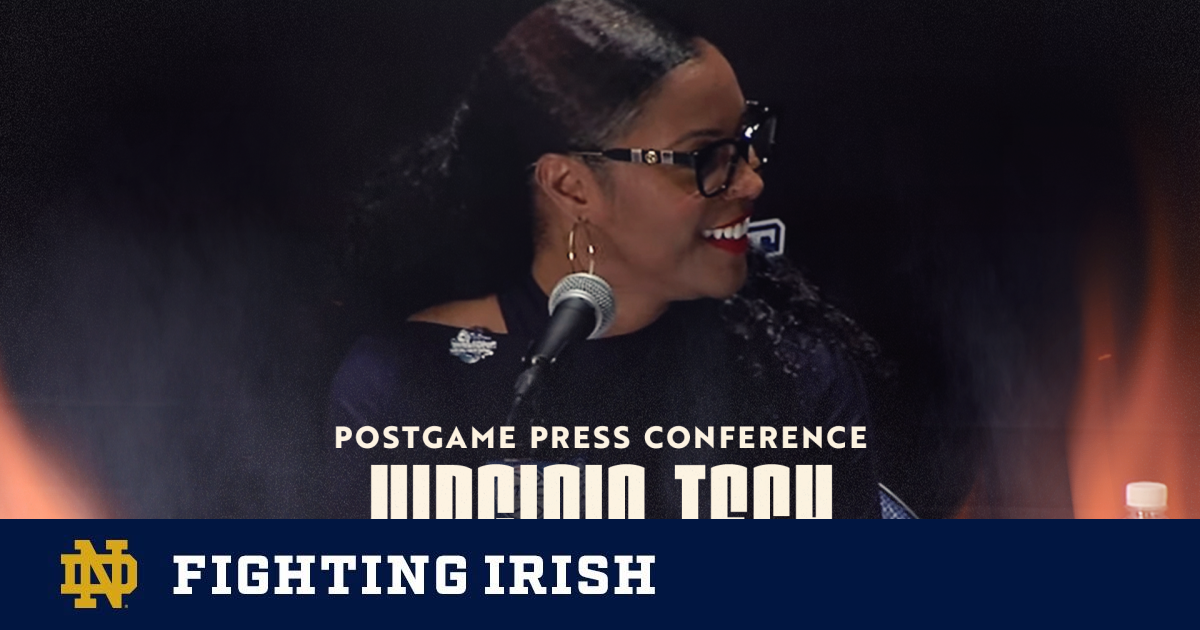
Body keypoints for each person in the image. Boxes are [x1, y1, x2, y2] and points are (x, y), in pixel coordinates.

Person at [327, 0, 882, 518]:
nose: (752, 180)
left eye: (747, 138)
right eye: (705, 156)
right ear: (570, 187)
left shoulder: (796, 373)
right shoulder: (403, 384)